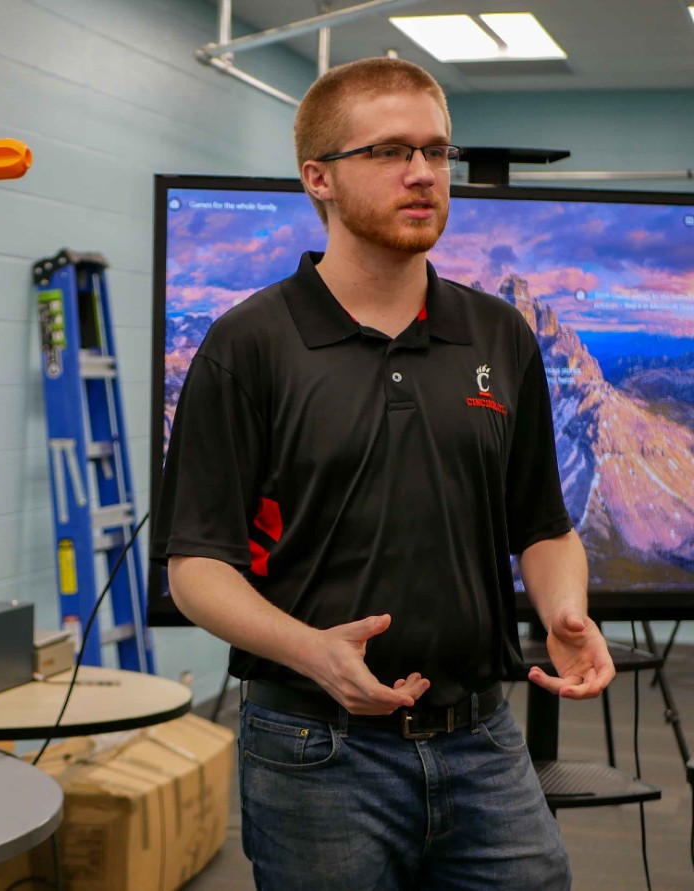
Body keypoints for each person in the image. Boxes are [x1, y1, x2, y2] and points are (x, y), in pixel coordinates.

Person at [151, 57, 615, 890]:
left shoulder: (498, 335)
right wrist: (311, 651)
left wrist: (565, 608)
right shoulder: (249, 345)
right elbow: (194, 570)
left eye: (438, 152)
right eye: (392, 151)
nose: (424, 173)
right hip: (315, 751)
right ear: (318, 178)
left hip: (483, 742)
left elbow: (542, 526)